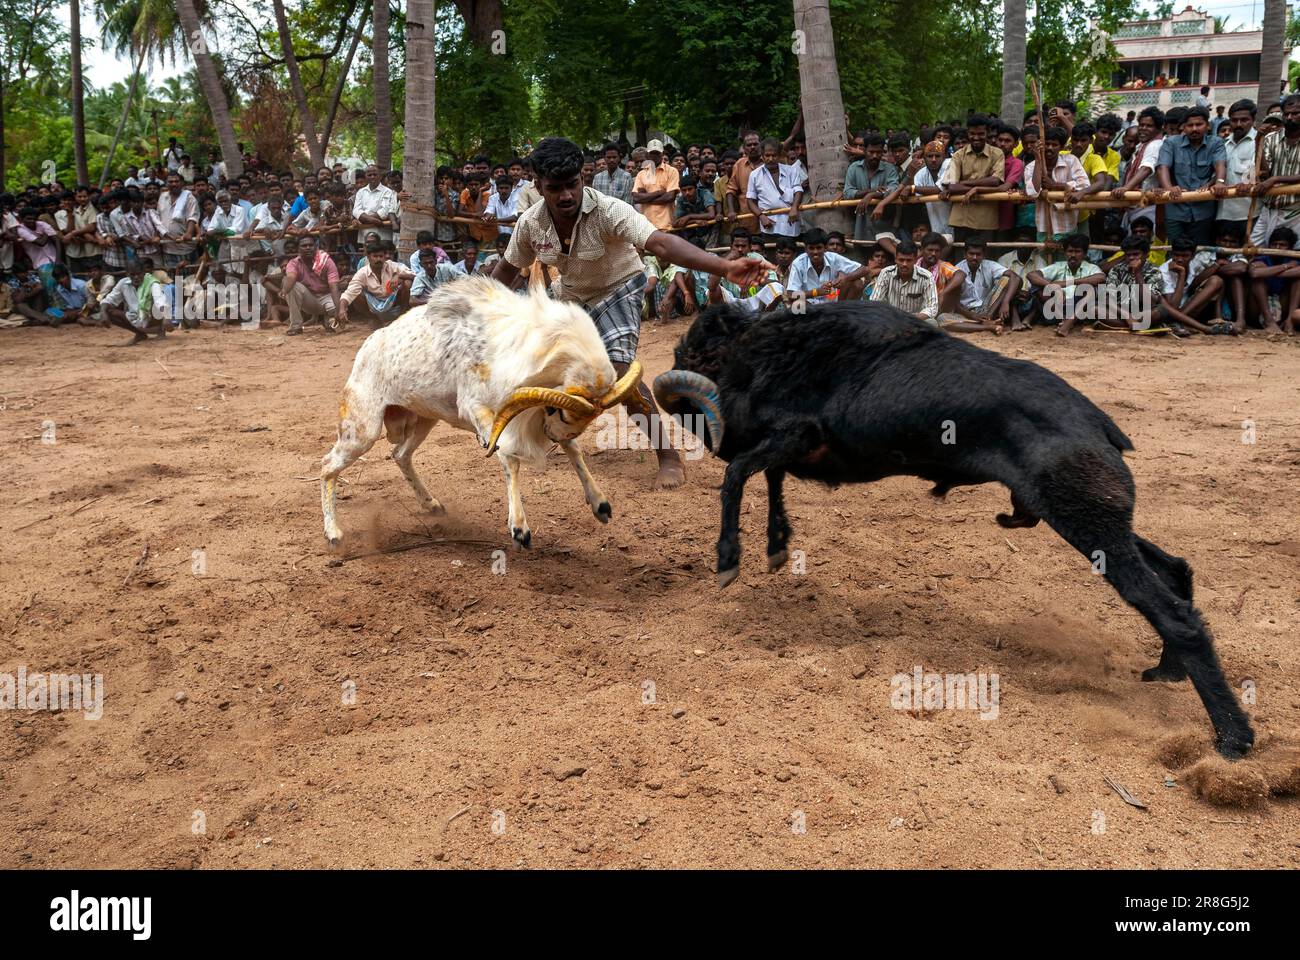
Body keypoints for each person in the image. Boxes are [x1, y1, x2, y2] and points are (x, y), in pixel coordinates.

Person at [490, 137, 775, 490]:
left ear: (583, 178)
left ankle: (668, 456)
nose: (566, 195)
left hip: (619, 287)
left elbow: (661, 243)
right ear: (538, 186)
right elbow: (505, 270)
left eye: (572, 184)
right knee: (537, 366)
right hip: (569, 298)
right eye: (554, 188)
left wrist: (722, 265)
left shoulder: (610, 210)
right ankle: (538, 436)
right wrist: (484, 311)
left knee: (620, 373)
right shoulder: (530, 224)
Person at [1156, 106, 1227, 246]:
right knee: (1174, 252)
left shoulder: (1216, 143)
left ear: (1207, 126)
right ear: (1183, 127)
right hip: (1176, 209)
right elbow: (1162, 167)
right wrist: (1169, 188)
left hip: (1203, 210)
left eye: (1199, 124)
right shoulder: (1171, 143)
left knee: (1200, 252)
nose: (1194, 128)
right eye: (1190, 125)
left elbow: (1220, 164)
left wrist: (1219, 182)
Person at [940, 113, 1004, 243]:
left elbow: (995, 181)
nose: (976, 137)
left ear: (987, 133)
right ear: (967, 133)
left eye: (980, 133)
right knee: (960, 259)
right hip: (961, 218)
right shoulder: (958, 155)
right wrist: (979, 185)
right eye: (972, 134)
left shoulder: (997, 153)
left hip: (987, 219)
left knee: (986, 258)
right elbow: (951, 186)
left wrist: (964, 183)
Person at [1248, 93, 1300, 247]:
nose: (1290, 117)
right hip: (1270, 208)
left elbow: (1272, 178)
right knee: (1252, 251)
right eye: (1286, 114)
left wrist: (1276, 179)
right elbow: (1265, 172)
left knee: (1295, 256)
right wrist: (1259, 141)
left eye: (1295, 113)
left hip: (1296, 208)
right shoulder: (1271, 138)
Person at [1025, 233, 1103, 334]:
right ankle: (1063, 319)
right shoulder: (1058, 266)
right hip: (1055, 311)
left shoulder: (1091, 268)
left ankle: (1068, 323)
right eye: (1070, 251)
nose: (1073, 255)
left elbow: (1101, 278)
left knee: (1089, 289)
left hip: (1079, 313)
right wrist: (1053, 287)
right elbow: (1032, 275)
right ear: (1065, 253)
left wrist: (1068, 283)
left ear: (1084, 253)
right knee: (1036, 286)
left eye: (1077, 251)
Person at [938, 237, 1020, 334]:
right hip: (966, 313)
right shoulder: (957, 271)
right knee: (942, 318)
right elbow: (954, 303)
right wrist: (972, 315)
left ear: (984, 255)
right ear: (965, 254)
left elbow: (1016, 278)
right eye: (971, 254)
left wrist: (1006, 302)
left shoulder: (990, 265)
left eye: (978, 254)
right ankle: (987, 326)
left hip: (989, 309)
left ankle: (987, 320)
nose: (974, 257)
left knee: (1007, 279)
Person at [1024, 127, 1090, 242]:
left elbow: (1084, 185)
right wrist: (1038, 159)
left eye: (1054, 145)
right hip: (1043, 226)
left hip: (1067, 225)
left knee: (1065, 258)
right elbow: (1033, 192)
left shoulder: (1071, 161)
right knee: (1043, 257)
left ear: (1062, 146)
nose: (1049, 148)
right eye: (1047, 144)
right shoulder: (1031, 167)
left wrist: (1055, 185)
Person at [783, 228, 876, 304]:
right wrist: (816, 292)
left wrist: (845, 278)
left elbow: (864, 269)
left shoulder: (833, 258)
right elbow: (791, 294)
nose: (815, 252)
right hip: (809, 306)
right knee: (797, 304)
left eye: (819, 248)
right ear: (806, 249)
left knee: (857, 283)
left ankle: (843, 315)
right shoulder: (798, 263)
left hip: (832, 305)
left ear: (825, 248)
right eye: (811, 248)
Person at [338, 238, 414, 330]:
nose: (379, 259)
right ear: (368, 257)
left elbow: (414, 275)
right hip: (373, 304)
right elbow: (349, 293)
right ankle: (374, 319)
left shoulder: (392, 266)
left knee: (407, 283)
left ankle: (402, 317)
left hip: (393, 300)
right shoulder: (362, 273)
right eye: (375, 256)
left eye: (381, 256)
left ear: (384, 257)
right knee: (357, 294)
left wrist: (399, 275)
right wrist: (342, 309)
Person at [844, 133, 899, 251]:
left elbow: (893, 190)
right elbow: (847, 193)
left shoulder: (890, 169)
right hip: (861, 227)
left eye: (878, 152)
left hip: (884, 227)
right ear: (864, 151)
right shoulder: (854, 168)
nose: (875, 156)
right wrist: (870, 191)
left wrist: (872, 195)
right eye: (871, 152)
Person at [744, 137, 803, 245]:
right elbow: (750, 200)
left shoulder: (791, 170)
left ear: (779, 155)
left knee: (790, 253)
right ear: (762, 156)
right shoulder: (755, 175)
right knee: (771, 255)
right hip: (769, 223)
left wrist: (794, 208)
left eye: (774, 155)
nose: (770, 159)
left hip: (791, 221)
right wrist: (761, 216)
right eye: (767, 155)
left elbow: (798, 190)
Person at [870, 238, 938, 323]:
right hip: (891, 319)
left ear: (915, 260)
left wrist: (912, 319)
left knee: (932, 323)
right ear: (895, 259)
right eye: (901, 260)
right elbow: (875, 301)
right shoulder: (886, 273)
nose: (904, 264)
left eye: (909, 260)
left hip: (916, 321)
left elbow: (932, 308)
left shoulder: (926, 277)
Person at [631, 139, 680, 232]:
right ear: (648, 155)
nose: (654, 156)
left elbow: (670, 197)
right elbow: (636, 198)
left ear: (662, 154)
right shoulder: (641, 174)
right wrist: (660, 193)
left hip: (666, 225)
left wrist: (646, 198)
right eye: (652, 153)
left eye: (657, 153)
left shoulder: (672, 171)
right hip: (646, 227)